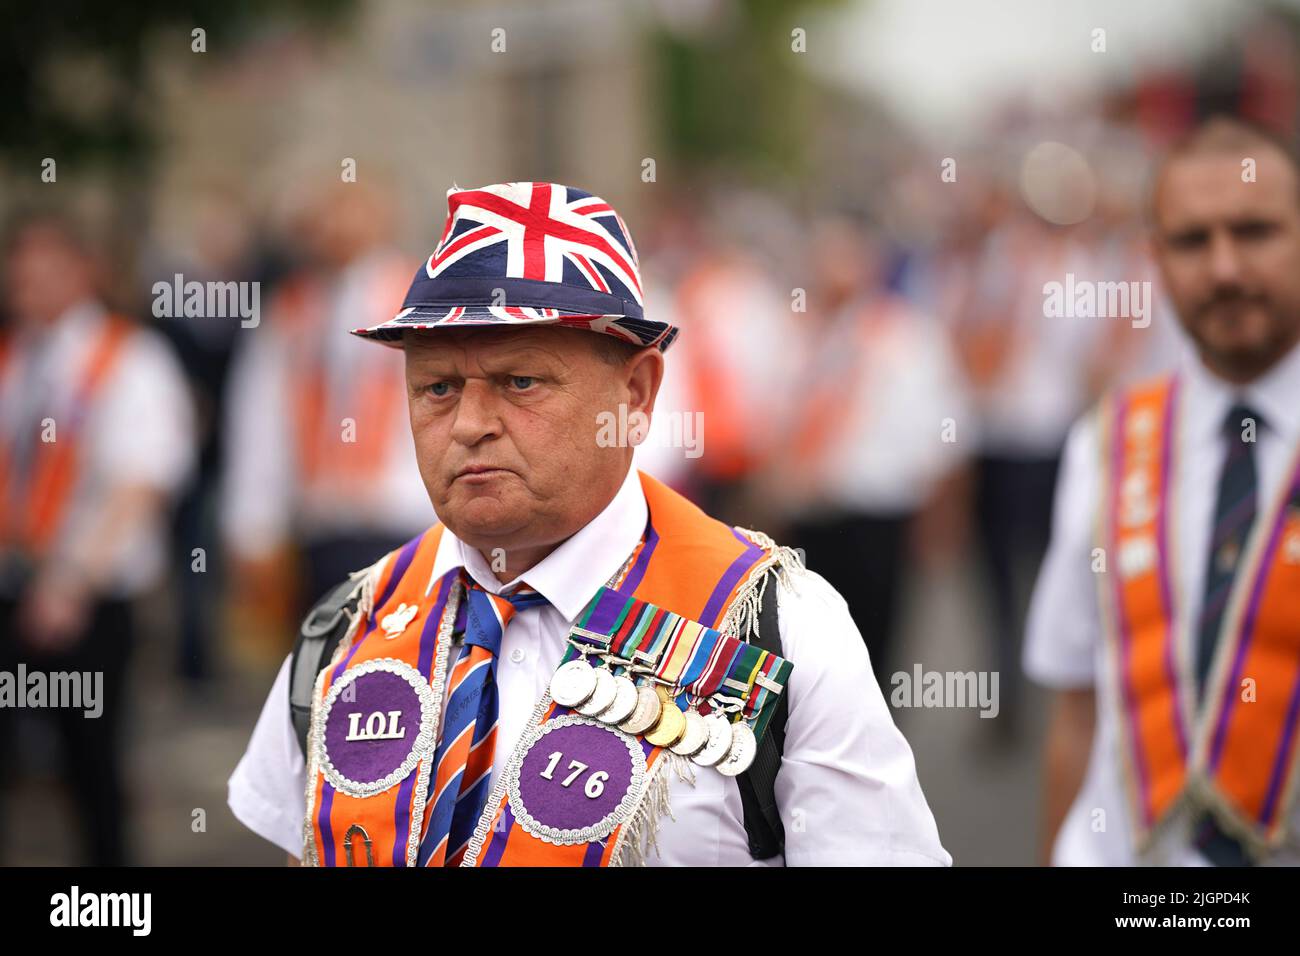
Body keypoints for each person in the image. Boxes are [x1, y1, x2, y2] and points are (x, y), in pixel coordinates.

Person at [227, 181, 950, 867]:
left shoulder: (778, 628)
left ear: (635, 393)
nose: (471, 425)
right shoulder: (345, 633)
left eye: (520, 382)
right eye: (437, 388)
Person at [1027, 117, 1300, 865]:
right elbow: (1076, 711)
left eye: (1255, 231)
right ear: (1156, 259)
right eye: (1191, 241)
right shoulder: (1106, 445)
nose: (1224, 269)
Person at [0, 212, 196, 865]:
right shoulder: (16, 356)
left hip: (87, 591)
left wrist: (71, 579)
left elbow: (140, 481)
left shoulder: (128, 358)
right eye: (19, 267)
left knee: (90, 763)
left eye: (45, 267)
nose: (27, 282)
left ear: (84, 272)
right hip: (13, 577)